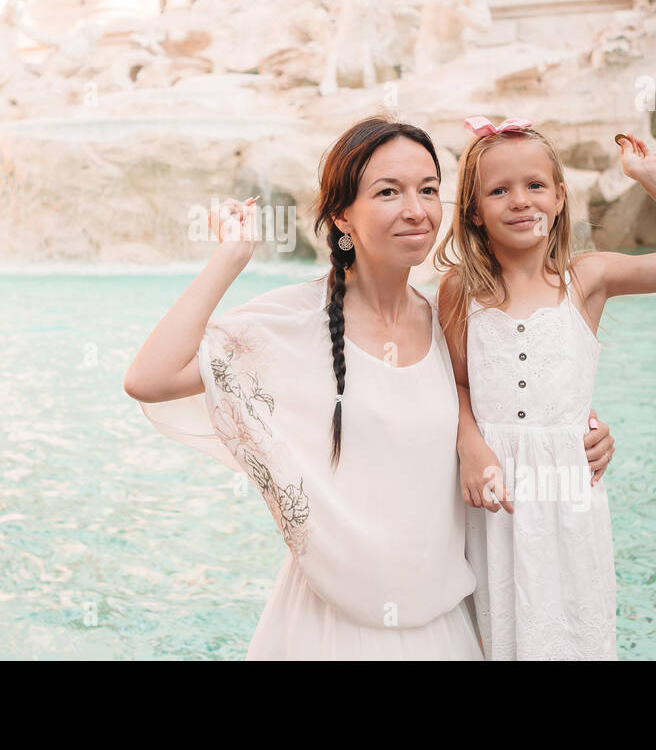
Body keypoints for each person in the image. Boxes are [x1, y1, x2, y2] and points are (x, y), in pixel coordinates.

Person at [124, 115, 617, 659]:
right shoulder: (296, 322)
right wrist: (231, 257)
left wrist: (585, 430)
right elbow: (150, 378)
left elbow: (517, 407)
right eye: (388, 192)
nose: (416, 209)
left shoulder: (446, 320)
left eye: (428, 190)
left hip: (441, 627)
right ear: (342, 215)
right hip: (332, 628)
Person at [436, 116, 656, 659]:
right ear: (474, 211)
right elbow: (456, 385)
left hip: (569, 496)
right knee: (495, 632)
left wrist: (649, 173)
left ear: (559, 195)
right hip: (492, 496)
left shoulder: (588, 279)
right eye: (498, 190)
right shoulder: (461, 288)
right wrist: (471, 445)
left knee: (571, 632)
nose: (520, 201)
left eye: (535, 185)